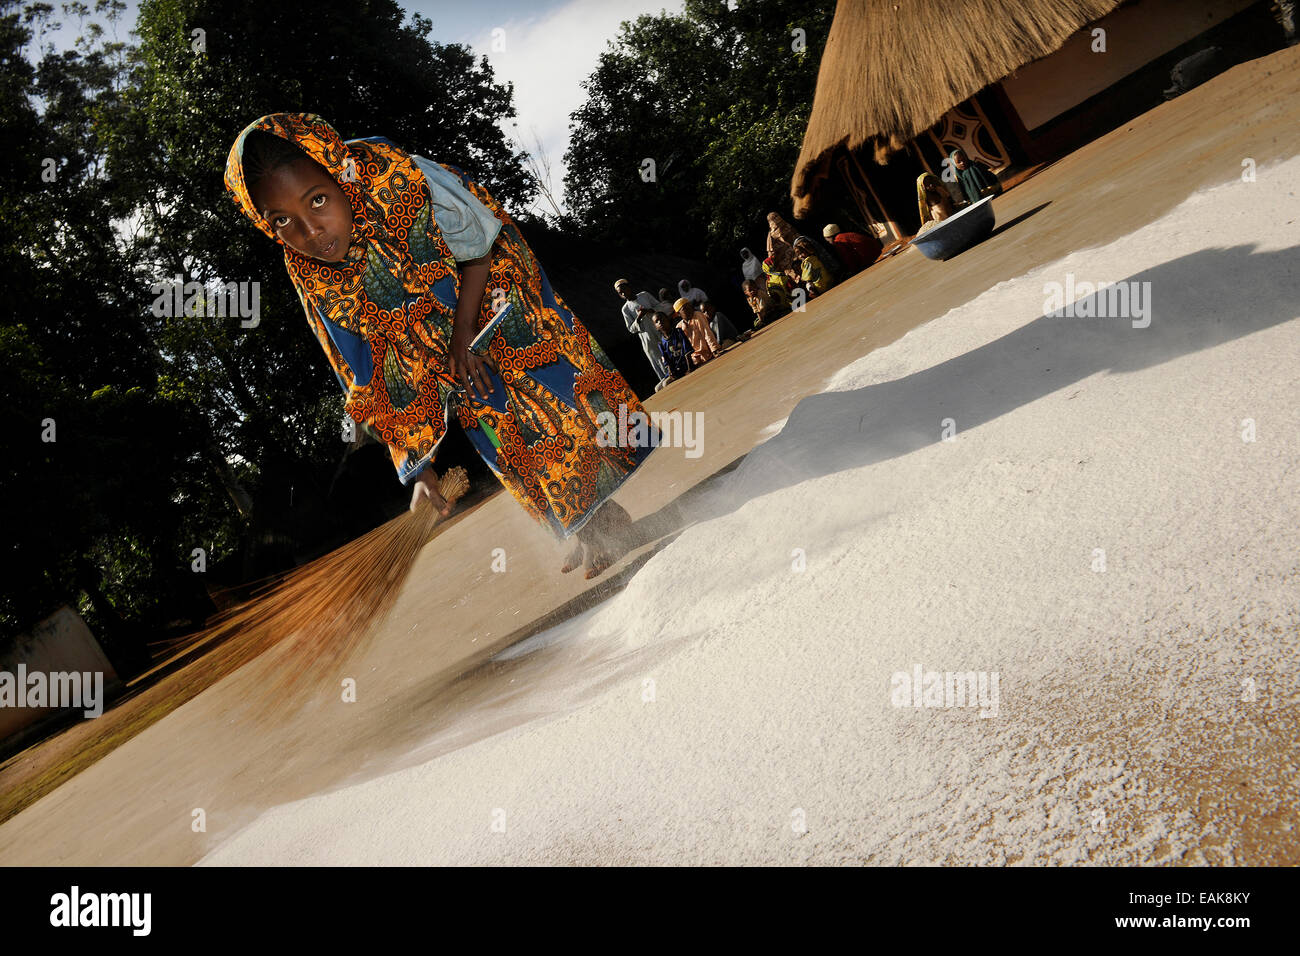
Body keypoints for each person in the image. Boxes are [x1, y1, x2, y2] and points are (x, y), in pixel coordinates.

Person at [225, 112, 651, 579]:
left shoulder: (399, 176)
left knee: (544, 415)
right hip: (439, 354)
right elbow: (361, 366)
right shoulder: (309, 271)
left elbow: (479, 242)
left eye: (319, 200)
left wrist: (467, 331)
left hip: (493, 302)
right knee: (497, 438)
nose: (310, 232)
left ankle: (604, 523)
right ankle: (572, 524)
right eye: (283, 220)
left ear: (335, 170)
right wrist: (415, 465)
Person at [615, 279, 670, 389]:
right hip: (647, 337)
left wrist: (649, 310)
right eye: (620, 293)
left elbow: (659, 307)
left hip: (659, 329)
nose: (623, 293)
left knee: (667, 347)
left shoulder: (644, 295)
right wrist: (639, 317)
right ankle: (667, 377)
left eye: (624, 289)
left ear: (629, 287)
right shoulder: (625, 309)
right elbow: (631, 328)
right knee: (657, 357)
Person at [674, 297, 720, 367]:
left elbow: (707, 333)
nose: (689, 309)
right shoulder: (679, 327)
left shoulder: (698, 315)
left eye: (689, 306)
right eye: (685, 309)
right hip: (695, 359)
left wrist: (714, 349)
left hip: (709, 353)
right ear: (678, 314)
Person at [765, 212, 803, 283]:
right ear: (770, 221)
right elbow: (771, 251)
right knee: (794, 277)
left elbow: (796, 236)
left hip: (797, 253)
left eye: (777, 216)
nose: (777, 218)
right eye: (774, 218)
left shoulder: (787, 225)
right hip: (784, 259)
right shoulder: (771, 234)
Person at [654, 311, 692, 381]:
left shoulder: (678, 332)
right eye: (657, 321)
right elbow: (667, 362)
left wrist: (689, 369)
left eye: (661, 319)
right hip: (676, 370)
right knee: (657, 388)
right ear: (656, 327)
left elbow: (687, 351)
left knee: (665, 384)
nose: (660, 322)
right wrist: (671, 373)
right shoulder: (661, 343)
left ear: (668, 319)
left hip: (686, 366)